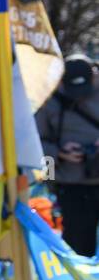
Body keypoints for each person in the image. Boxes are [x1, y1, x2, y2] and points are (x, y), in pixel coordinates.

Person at [37, 53, 99, 256]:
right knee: (78, 248)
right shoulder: (48, 99)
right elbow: (36, 144)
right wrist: (59, 153)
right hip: (70, 187)